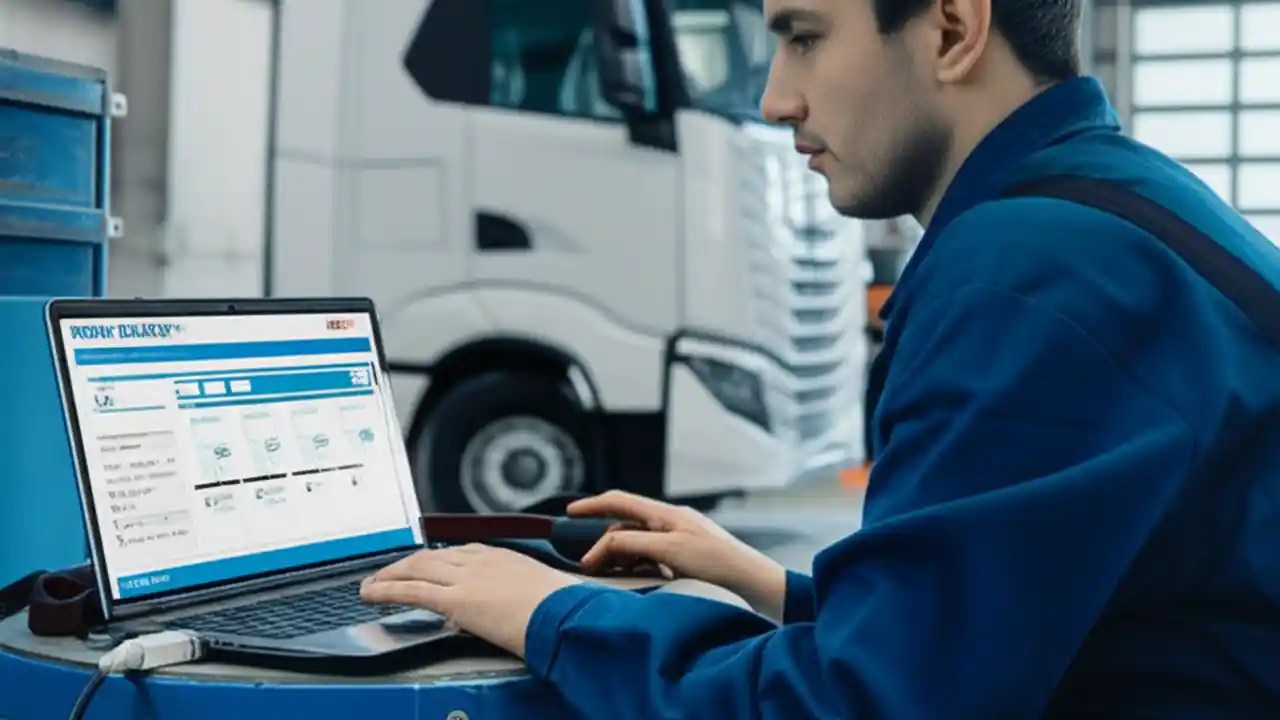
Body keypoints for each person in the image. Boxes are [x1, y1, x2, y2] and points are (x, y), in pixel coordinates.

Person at [361, 0, 1280, 716]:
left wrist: (547, 612)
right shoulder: (1116, 205)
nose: (773, 98)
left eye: (803, 37)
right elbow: (1023, 624)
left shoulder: (1022, 278)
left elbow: (864, 705)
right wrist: (768, 584)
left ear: (953, 29)